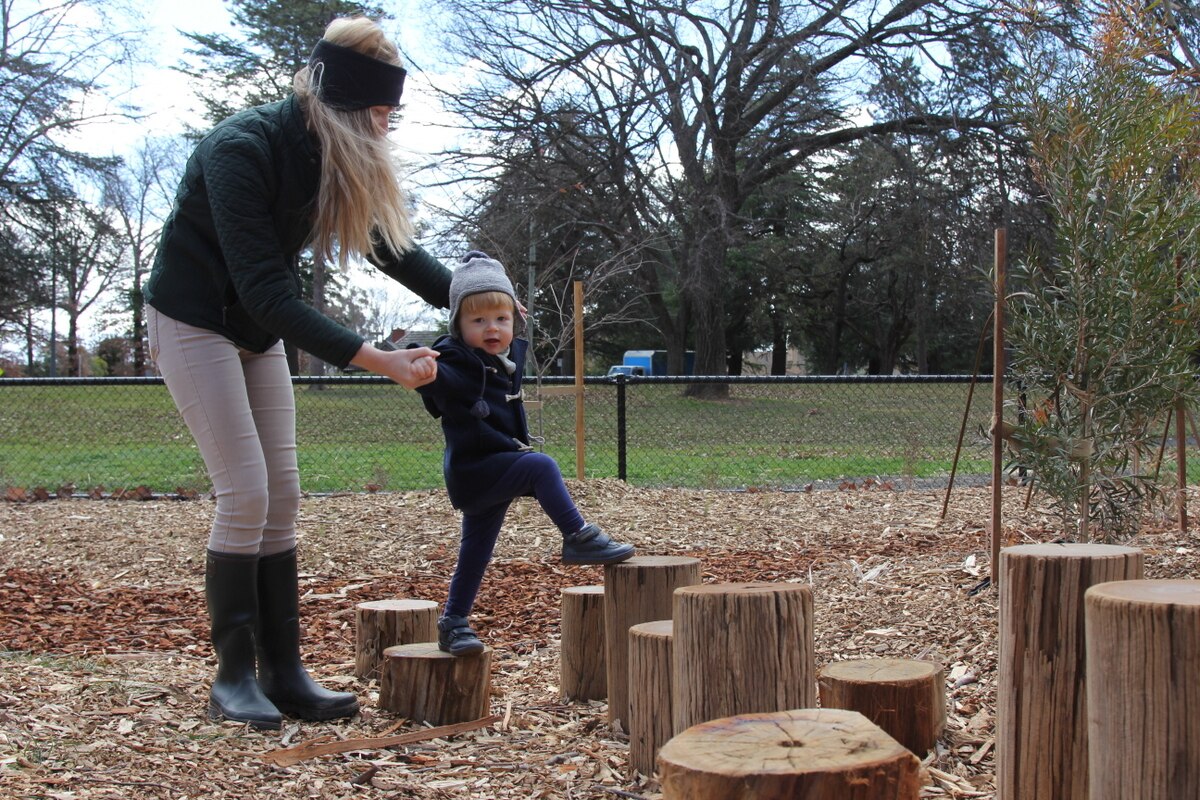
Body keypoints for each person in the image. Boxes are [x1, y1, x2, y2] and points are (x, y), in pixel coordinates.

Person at [143, 17, 450, 730]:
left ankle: (284, 673)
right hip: (194, 320)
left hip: (254, 330)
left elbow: (393, 249)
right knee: (244, 490)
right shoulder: (240, 149)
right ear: (346, 106)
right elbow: (266, 292)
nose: (388, 129)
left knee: (282, 493)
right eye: (380, 114)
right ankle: (232, 678)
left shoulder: (332, 157)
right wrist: (378, 360)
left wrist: (473, 301)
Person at [414, 253, 635, 657]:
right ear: (458, 327)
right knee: (540, 465)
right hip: (475, 469)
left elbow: (503, 326)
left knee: (476, 550)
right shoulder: (459, 360)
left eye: (500, 319)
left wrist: (508, 307)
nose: (491, 329)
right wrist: (424, 365)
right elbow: (443, 375)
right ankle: (577, 536)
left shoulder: (504, 354)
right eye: (477, 321)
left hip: (494, 464)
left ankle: (453, 621)